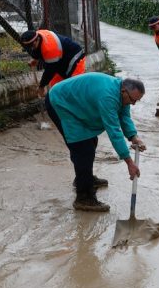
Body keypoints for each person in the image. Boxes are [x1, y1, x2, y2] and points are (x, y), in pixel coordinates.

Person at [45, 72, 147, 212]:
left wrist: (133, 136)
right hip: (61, 103)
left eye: (136, 101)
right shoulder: (108, 97)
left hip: (77, 103)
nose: (133, 103)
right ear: (124, 91)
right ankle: (84, 198)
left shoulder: (123, 92)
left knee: (91, 142)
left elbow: (124, 116)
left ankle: (85, 178)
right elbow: (114, 131)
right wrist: (129, 162)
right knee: (82, 148)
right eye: (132, 100)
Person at [20, 29, 86, 98]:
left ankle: (80, 104)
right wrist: (35, 59)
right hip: (60, 58)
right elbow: (36, 49)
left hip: (75, 57)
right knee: (56, 89)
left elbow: (50, 71)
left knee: (74, 86)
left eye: (32, 46)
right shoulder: (37, 35)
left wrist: (41, 86)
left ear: (37, 40)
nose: (31, 49)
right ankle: (61, 105)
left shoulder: (49, 49)